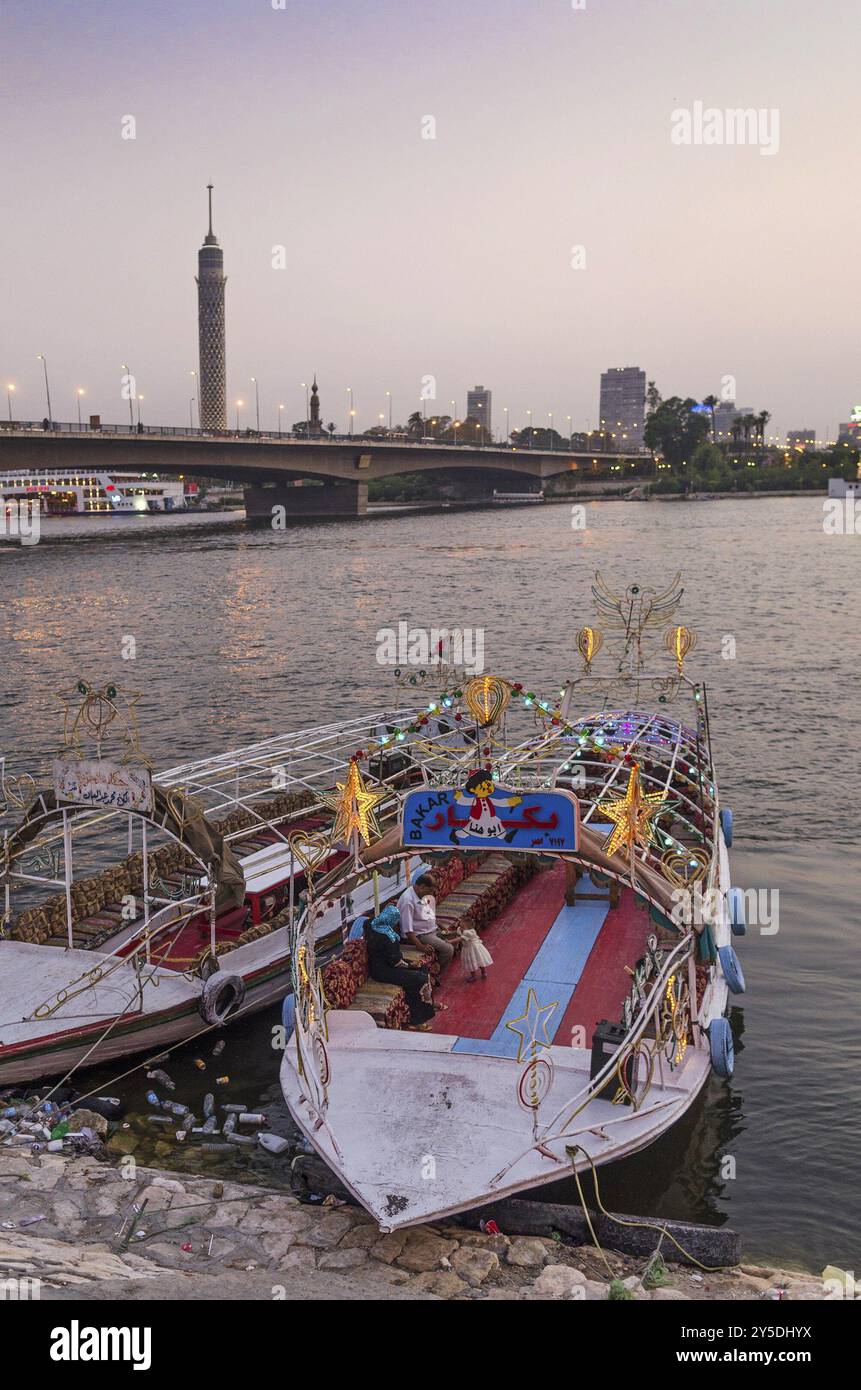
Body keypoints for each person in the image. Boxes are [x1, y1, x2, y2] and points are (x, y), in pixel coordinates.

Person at [364, 905, 435, 1028]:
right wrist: (409, 965)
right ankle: (417, 1020)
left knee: (422, 968)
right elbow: (396, 962)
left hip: (384, 963)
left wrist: (410, 965)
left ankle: (426, 1004)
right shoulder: (388, 938)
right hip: (383, 970)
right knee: (419, 979)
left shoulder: (371, 924)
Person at [398, 873, 454, 969]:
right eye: (430, 892)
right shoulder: (408, 901)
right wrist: (420, 946)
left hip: (431, 929)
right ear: (422, 886)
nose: (431, 895)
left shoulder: (419, 893)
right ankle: (437, 973)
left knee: (455, 935)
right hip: (421, 935)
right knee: (448, 949)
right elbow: (407, 929)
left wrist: (437, 923)